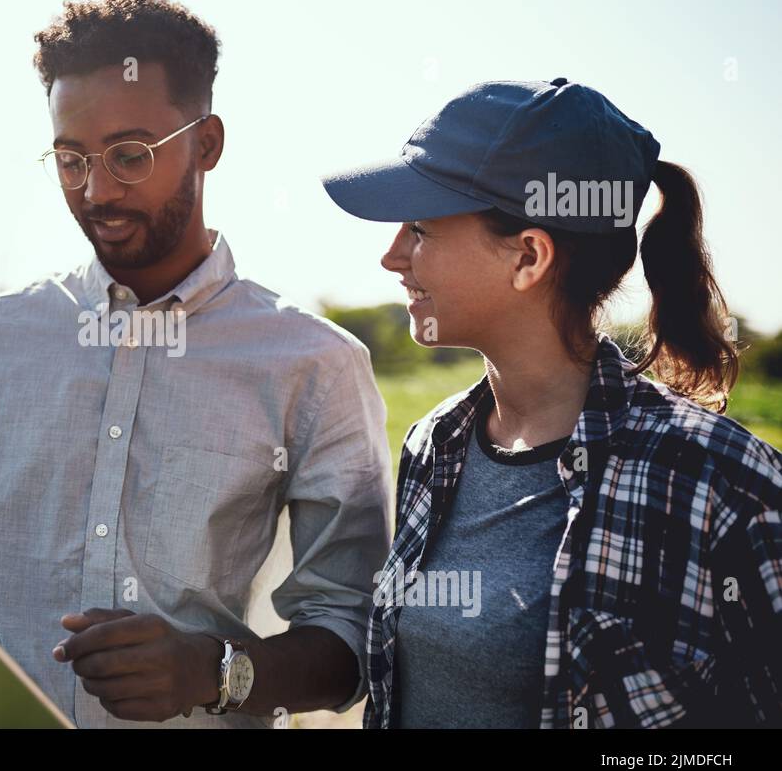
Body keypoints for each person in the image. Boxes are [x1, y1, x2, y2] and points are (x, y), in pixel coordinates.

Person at [0, 0, 393, 728]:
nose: (97, 191)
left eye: (130, 156)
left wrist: (214, 673)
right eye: (70, 158)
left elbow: (352, 636)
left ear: (208, 144)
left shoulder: (316, 364)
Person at [320, 77, 782, 728]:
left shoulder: (726, 486)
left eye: (420, 228)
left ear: (529, 256)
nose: (391, 255)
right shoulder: (432, 446)